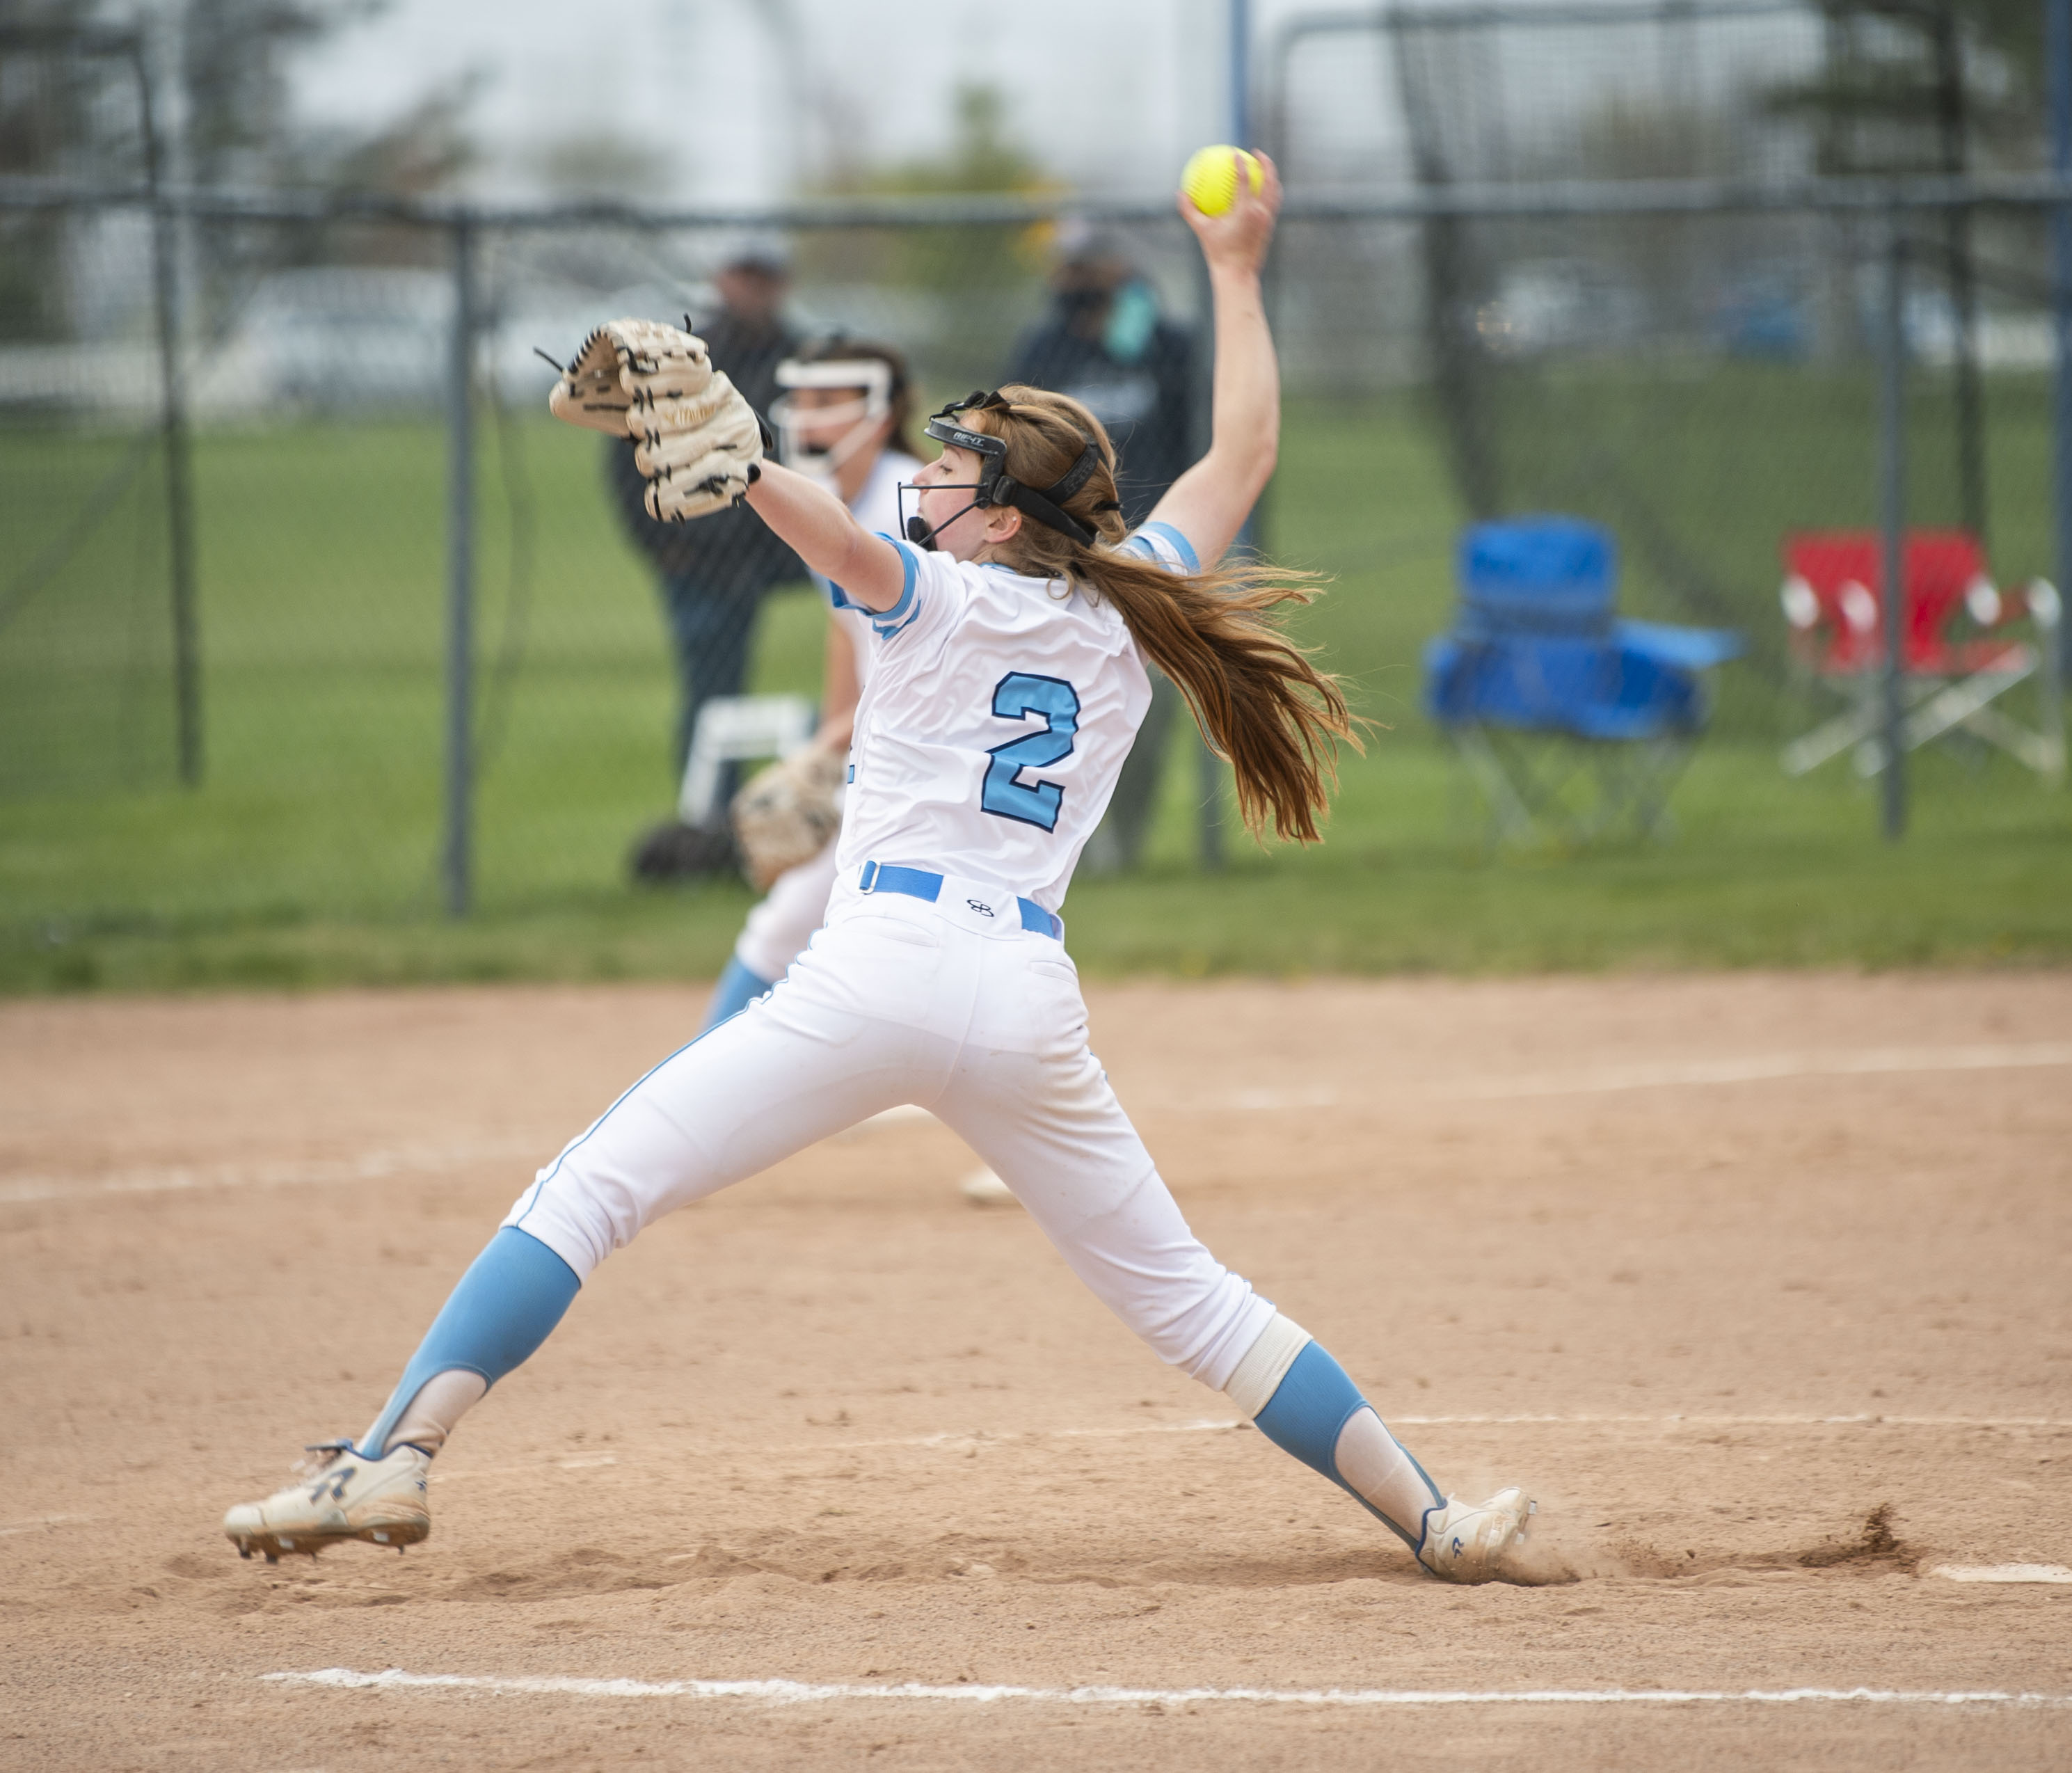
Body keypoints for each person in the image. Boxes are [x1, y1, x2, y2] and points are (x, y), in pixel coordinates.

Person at [220, 155, 1543, 1587]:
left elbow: (837, 535)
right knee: (1193, 1304)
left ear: (1003, 516)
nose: (931, 479)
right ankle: (1435, 1517)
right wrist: (1234, 269)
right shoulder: (1126, 609)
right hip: (1028, 998)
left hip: (877, 975)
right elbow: (1244, 455)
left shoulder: (936, 591)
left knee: (592, 1186)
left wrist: (751, 466)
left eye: (957, 471)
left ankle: (391, 1458)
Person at [701, 335, 923, 1029]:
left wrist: (847, 741)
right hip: (886, 744)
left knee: (791, 922)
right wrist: (834, 750)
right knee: (860, 921)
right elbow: (844, 626)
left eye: (830, 402)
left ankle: (704, 1073)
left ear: (881, 415)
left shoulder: (907, 503)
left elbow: (923, 655)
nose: (808, 416)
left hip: (924, 748)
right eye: (800, 399)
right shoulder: (826, 497)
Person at [1006, 225, 1202, 874]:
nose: (1077, 281)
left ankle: (1125, 849)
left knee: (1144, 706)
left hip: (1148, 553)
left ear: (1122, 271)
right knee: (1063, 695)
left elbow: (1196, 444)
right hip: (1057, 557)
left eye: (1091, 268)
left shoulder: (1165, 348)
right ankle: (1071, 850)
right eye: (1069, 269)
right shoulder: (1042, 350)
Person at [618, 238, 809, 879]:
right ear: (720, 277)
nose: (756, 288)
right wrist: (664, 543)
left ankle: (812, 820)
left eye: (767, 276)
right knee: (711, 697)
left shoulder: (795, 353)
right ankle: (713, 833)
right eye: (745, 274)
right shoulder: (684, 354)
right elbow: (627, 457)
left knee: (859, 658)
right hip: (699, 555)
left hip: (779, 549)